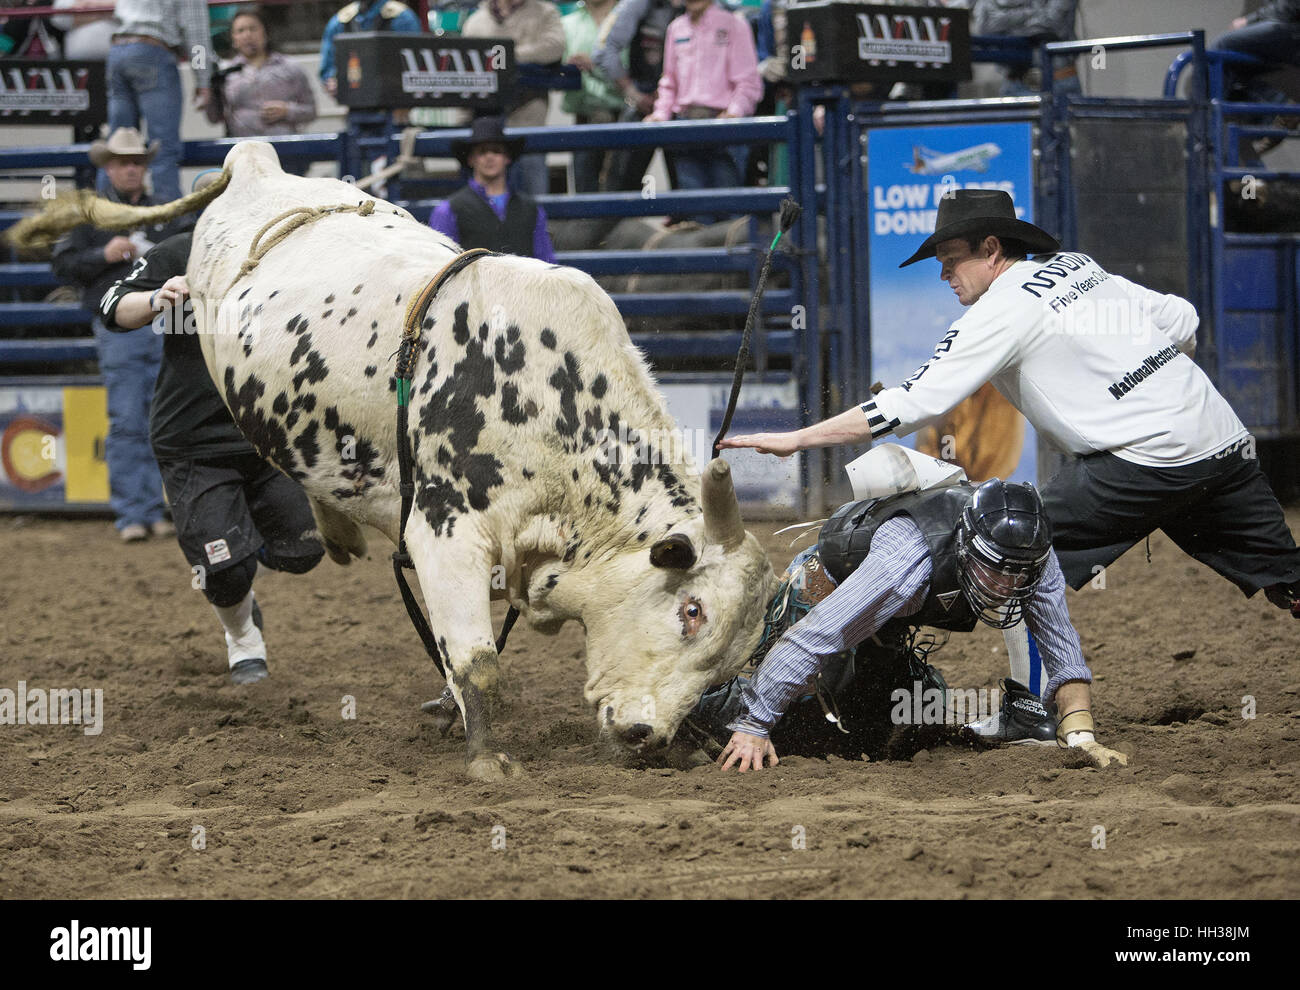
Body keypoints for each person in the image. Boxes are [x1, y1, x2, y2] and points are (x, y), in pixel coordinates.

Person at [719, 189, 1300, 634]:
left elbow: (915, 402)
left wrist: (797, 440)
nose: (944, 274)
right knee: (1288, 578)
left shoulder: (999, 309)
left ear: (992, 251)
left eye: (950, 259)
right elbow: (1184, 320)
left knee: (1004, 546)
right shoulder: (1079, 267)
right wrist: (1148, 386)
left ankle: (1029, 707)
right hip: (1220, 440)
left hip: (1138, 464)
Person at [694, 478, 1127, 772]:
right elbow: (814, 637)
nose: (1009, 585)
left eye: (1021, 573)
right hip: (823, 594)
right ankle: (695, 707)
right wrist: (754, 727)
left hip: (889, 626)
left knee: (905, 724)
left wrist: (1082, 735)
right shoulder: (906, 562)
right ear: (965, 549)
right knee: (797, 728)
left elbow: (1061, 647)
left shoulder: (1033, 558)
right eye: (997, 570)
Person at [97, 173, 325, 685]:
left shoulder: (287, 257)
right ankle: (242, 636)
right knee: (223, 570)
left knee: (305, 550)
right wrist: (158, 298)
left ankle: (235, 563)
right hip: (193, 441)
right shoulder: (179, 252)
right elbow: (113, 307)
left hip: (265, 437)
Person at [51, 128, 191, 542]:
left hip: (164, 327)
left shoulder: (162, 212)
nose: (132, 169)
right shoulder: (92, 216)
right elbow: (63, 264)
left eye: (137, 163)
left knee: (156, 419)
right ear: (110, 168)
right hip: (127, 331)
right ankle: (135, 512)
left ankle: (147, 511)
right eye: (124, 163)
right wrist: (103, 254)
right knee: (130, 419)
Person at [645, 0, 762, 224]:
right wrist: (660, 114)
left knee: (727, 204)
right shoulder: (676, 28)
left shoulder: (734, 25)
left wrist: (734, 112)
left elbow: (748, 82)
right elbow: (669, 81)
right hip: (685, 124)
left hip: (723, 125)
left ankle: (728, 254)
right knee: (695, 207)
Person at [105, 0, 213, 204]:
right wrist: (203, 79)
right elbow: (195, 27)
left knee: (117, 145)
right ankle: (168, 223)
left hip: (118, 49)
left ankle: (105, 224)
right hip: (152, 49)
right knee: (163, 147)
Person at [460, 0, 566, 197]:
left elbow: (554, 47)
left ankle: (537, 226)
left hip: (527, 111)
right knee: (484, 185)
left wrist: (505, 55)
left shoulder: (544, 12)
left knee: (531, 174)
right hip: (486, 115)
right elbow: (468, 61)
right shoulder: (477, 20)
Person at [428, 116, 557, 262]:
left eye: (496, 151)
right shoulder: (448, 210)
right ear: (471, 159)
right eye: (482, 152)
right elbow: (440, 265)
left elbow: (547, 262)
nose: (489, 157)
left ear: (507, 158)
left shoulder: (532, 209)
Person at [592, 0, 684, 193]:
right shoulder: (638, 3)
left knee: (691, 194)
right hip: (644, 103)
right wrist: (632, 93)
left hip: (685, 107)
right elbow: (603, 49)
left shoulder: (703, 6)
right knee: (619, 191)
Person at [206, 6, 316, 137]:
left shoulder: (290, 67)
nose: (247, 35)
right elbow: (213, 118)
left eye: (253, 29)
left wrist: (287, 111)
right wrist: (208, 93)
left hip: (283, 146)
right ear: (233, 39)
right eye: (240, 31)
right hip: (241, 149)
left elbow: (311, 111)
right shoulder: (225, 73)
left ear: (265, 33)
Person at [562, 0, 624, 192]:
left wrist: (595, 67)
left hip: (622, 114)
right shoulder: (567, 23)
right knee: (584, 187)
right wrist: (567, 69)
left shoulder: (628, 18)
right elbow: (556, 71)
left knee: (619, 188)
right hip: (583, 114)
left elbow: (634, 69)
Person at [971, 0, 1080, 98]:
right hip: (1013, 84)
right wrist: (1033, 15)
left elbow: (1051, 24)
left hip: (1058, 83)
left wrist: (1009, 23)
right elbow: (988, 26)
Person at [318, 0, 421, 97]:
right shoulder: (341, 20)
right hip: (356, 103)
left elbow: (414, 63)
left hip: (395, 103)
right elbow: (328, 69)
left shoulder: (401, 17)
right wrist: (333, 81)